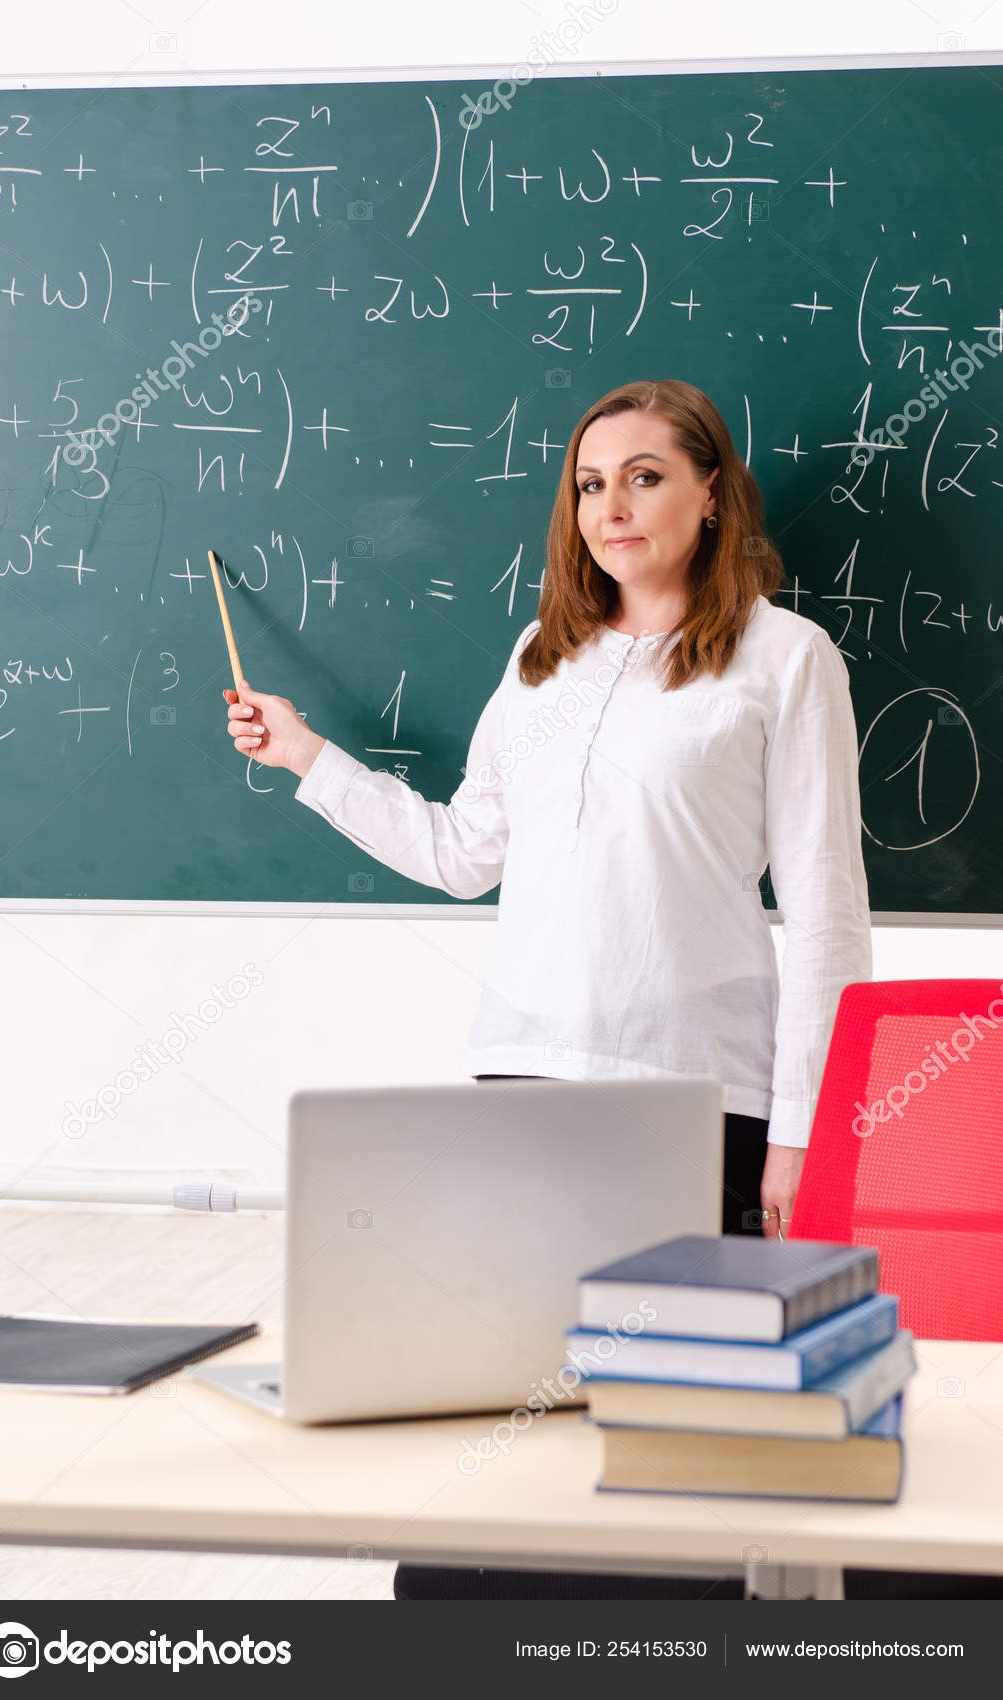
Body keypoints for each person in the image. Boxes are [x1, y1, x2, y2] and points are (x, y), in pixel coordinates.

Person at [223, 377, 874, 1600]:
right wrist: (307, 753)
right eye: (588, 483)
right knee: (517, 1416)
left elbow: (829, 910)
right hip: (525, 1085)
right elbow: (465, 854)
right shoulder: (541, 657)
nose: (611, 506)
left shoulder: (786, 659)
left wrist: (803, 1126)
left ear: (710, 492)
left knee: (672, 1428)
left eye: (643, 476)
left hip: (699, 1097)